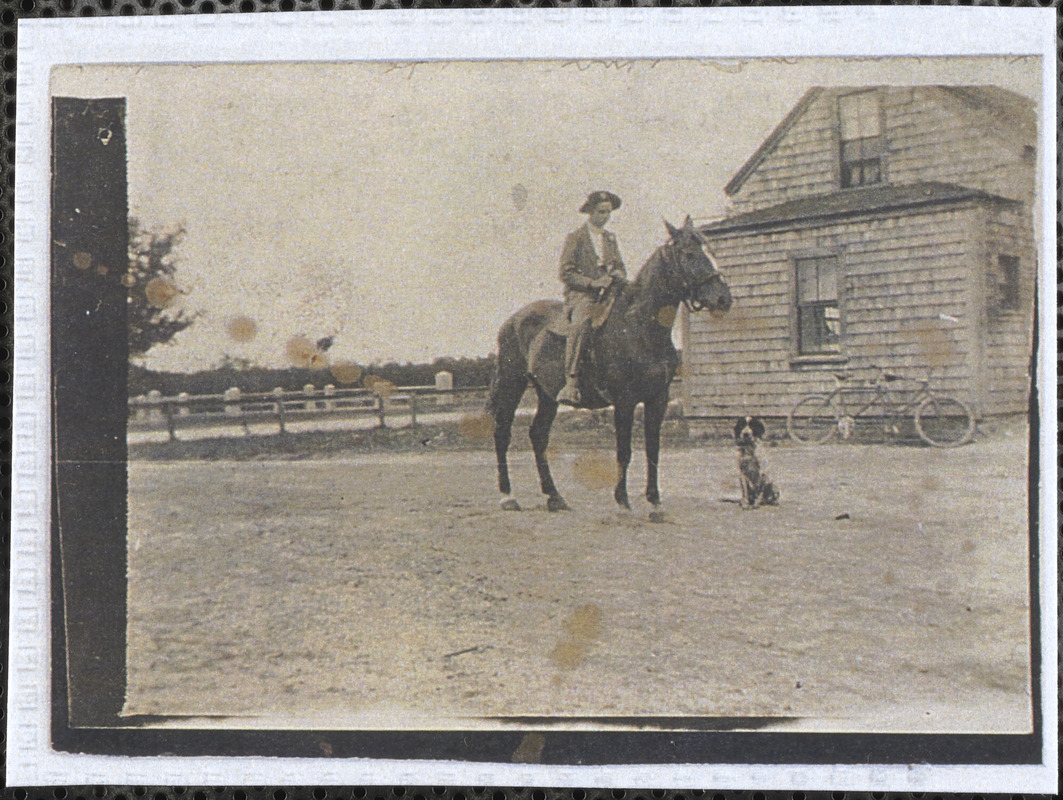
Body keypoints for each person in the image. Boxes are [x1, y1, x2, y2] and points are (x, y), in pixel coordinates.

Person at [557, 190, 625, 407]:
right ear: (589, 212)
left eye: (608, 212)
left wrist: (618, 275)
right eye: (600, 212)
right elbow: (566, 272)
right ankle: (572, 382)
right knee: (582, 323)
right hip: (583, 295)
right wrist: (592, 283)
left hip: (608, 293)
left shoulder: (610, 239)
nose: (604, 216)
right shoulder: (576, 238)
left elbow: (621, 267)